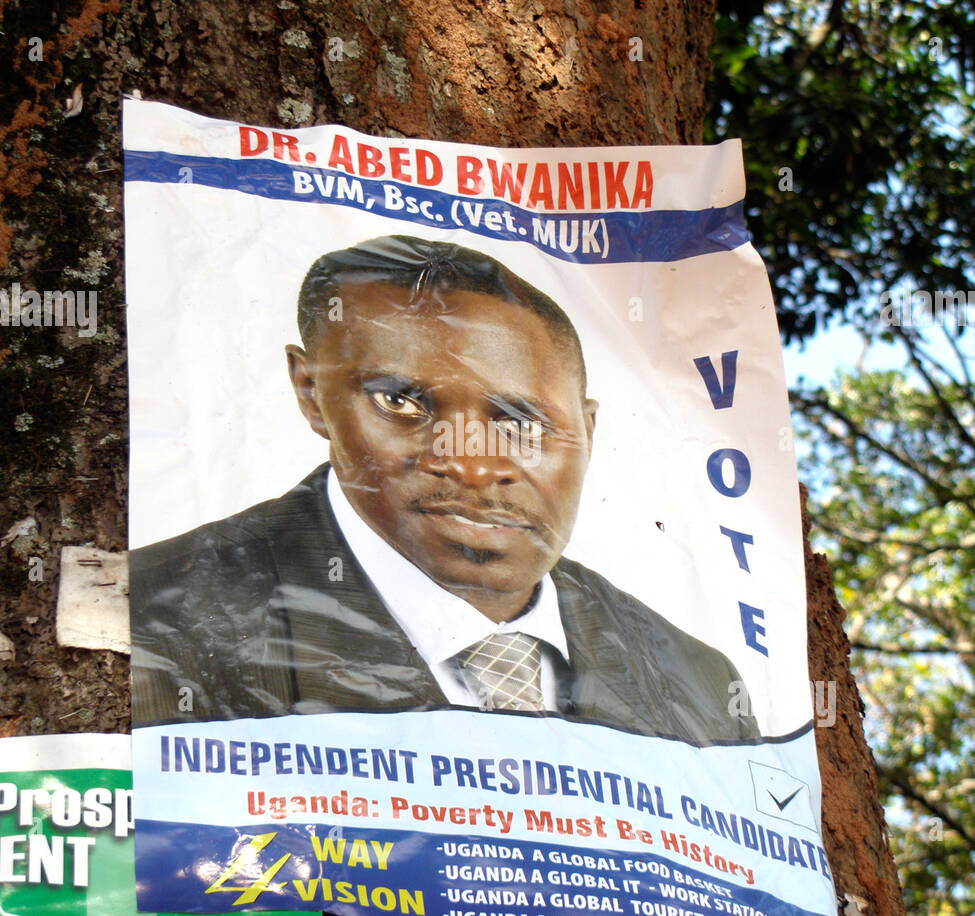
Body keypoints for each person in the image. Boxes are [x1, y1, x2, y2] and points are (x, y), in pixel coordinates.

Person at [130, 235, 759, 745]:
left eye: (520, 423)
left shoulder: (701, 686)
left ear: (588, 430)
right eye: (401, 402)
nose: (475, 467)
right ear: (310, 392)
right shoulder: (155, 620)